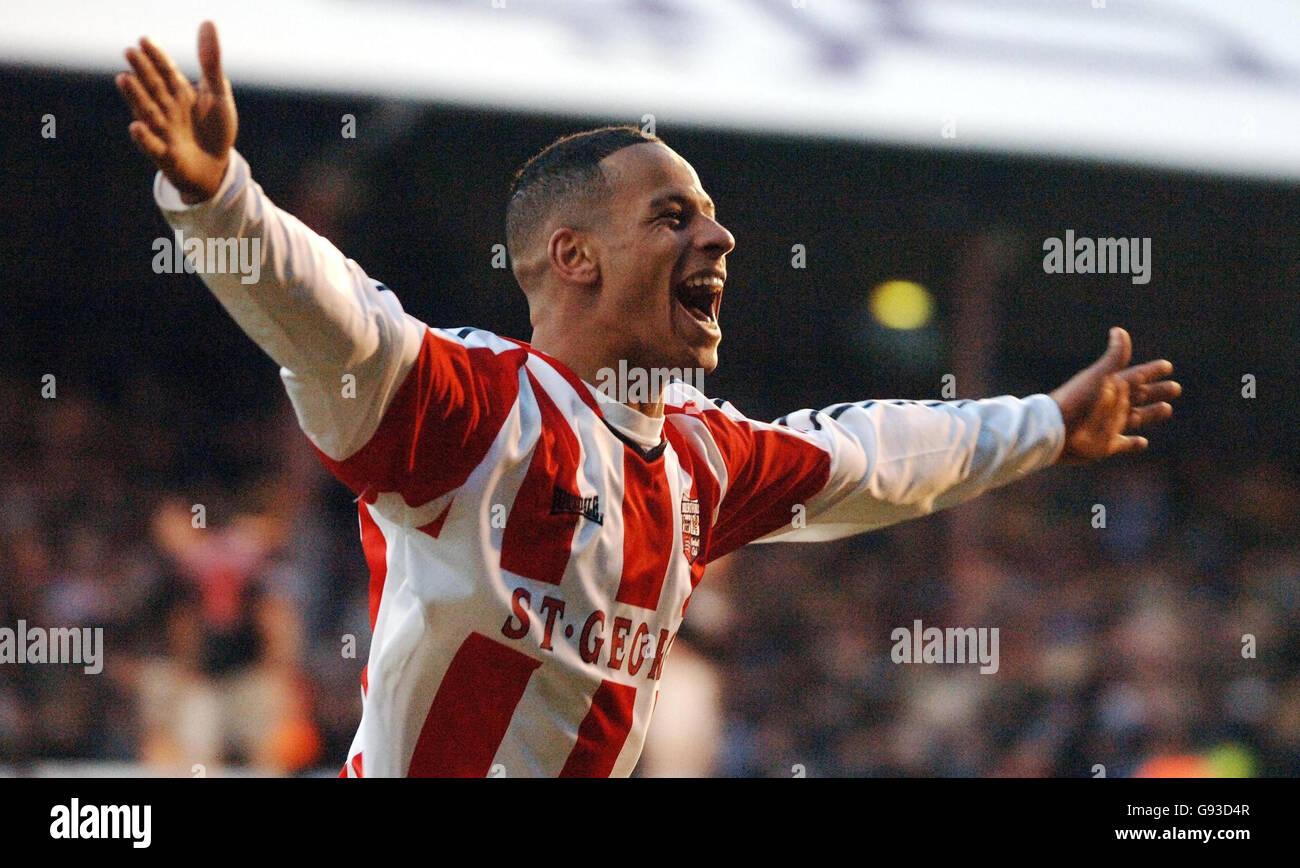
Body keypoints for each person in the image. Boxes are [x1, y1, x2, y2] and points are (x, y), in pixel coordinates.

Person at [116, 22, 1181, 777]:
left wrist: (1046, 424)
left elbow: (879, 455)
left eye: (711, 218)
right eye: (674, 217)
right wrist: (220, 202)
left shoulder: (703, 460)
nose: (718, 239)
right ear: (572, 256)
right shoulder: (474, 411)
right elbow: (331, 318)